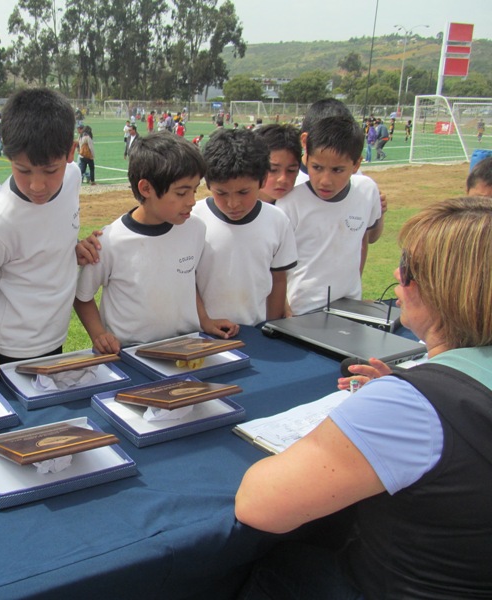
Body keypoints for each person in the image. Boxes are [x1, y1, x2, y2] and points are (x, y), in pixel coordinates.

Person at [236, 196, 492, 599]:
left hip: (398, 586)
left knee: (278, 569)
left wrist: (394, 403)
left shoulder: (413, 405)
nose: (396, 274)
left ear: (443, 291)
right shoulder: (431, 395)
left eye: (408, 269)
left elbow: (259, 506)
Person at [74, 132, 227, 353]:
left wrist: (205, 320)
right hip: (130, 354)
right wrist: (100, 335)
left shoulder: (195, 229)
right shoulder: (109, 241)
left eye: (194, 190)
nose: (192, 201)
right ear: (146, 188)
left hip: (187, 348)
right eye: (181, 193)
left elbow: (187, 281)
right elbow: (82, 297)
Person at [0, 88, 80, 364]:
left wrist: (75, 246)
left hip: (55, 336)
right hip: (9, 348)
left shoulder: (73, 177)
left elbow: (48, 234)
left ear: (71, 153)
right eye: (23, 170)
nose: (37, 186)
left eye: (50, 170)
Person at [277, 115, 383, 315]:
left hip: (349, 308)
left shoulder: (367, 190)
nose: (325, 180)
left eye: (337, 170)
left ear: (356, 164)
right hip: (301, 312)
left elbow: (365, 238)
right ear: (306, 158)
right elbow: (274, 267)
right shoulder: (290, 203)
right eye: (317, 167)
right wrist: (286, 311)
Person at [194, 128, 297, 327]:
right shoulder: (194, 220)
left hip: (256, 329)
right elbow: (187, 280)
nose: (233, 204)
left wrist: (273, 328)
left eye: (243, 192)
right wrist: (204, 321)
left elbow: (278, 279)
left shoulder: (277, 221)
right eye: (222, 193)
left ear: (263, 180)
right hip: (203, 332)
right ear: (208, 184)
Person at [255, 124, 302, 204]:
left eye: (291, 170)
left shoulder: (300, 205)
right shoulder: (236, 206)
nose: (283, 179)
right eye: (273, 170)